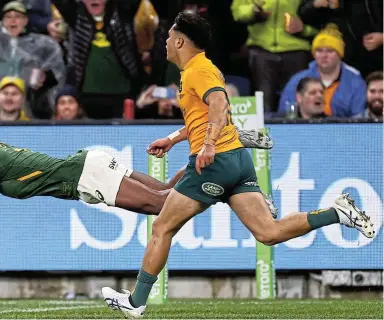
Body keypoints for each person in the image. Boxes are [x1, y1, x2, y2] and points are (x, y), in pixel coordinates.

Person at [100, 12, 375, 319]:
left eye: (168, 37)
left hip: (215, 161)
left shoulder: (197, 71)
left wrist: (207, 145)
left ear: (179, 41)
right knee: (268, 232)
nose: (164, 42)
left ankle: (136, 301)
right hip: (236, 159)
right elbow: (203, 117)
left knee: (162, 226)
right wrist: (173, 138)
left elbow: (219, 105)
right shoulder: (200, 69)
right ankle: (337, 212)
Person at [0, 116, 273, 245]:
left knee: (165, 204)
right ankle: (231, 177)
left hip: (88, 173)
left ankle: (226, 170)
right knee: (166, 194)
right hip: (91, 164)